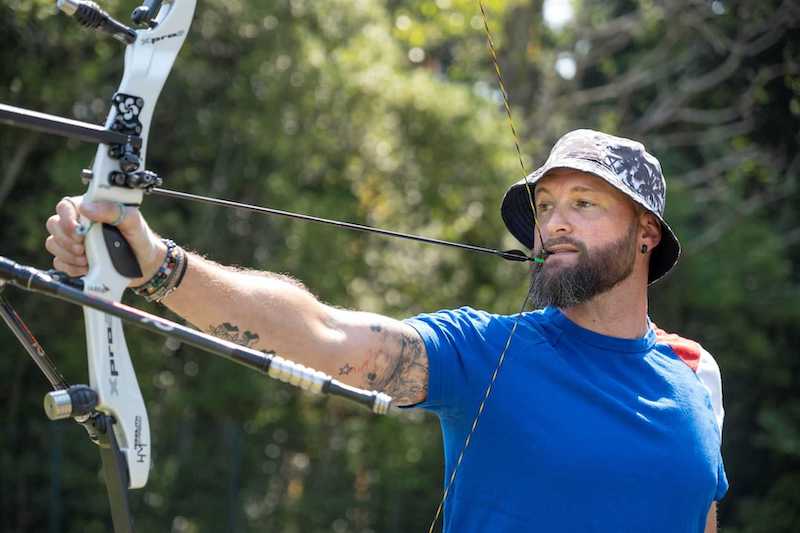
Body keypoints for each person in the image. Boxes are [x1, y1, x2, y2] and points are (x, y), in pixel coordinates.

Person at [45, 129, 727, 532]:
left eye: (584, 203)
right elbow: (327, 335)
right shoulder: (487, 353)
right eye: (546, 205)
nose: (555, 224)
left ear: (646, 232)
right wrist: (161, 267)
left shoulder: (693, 373)